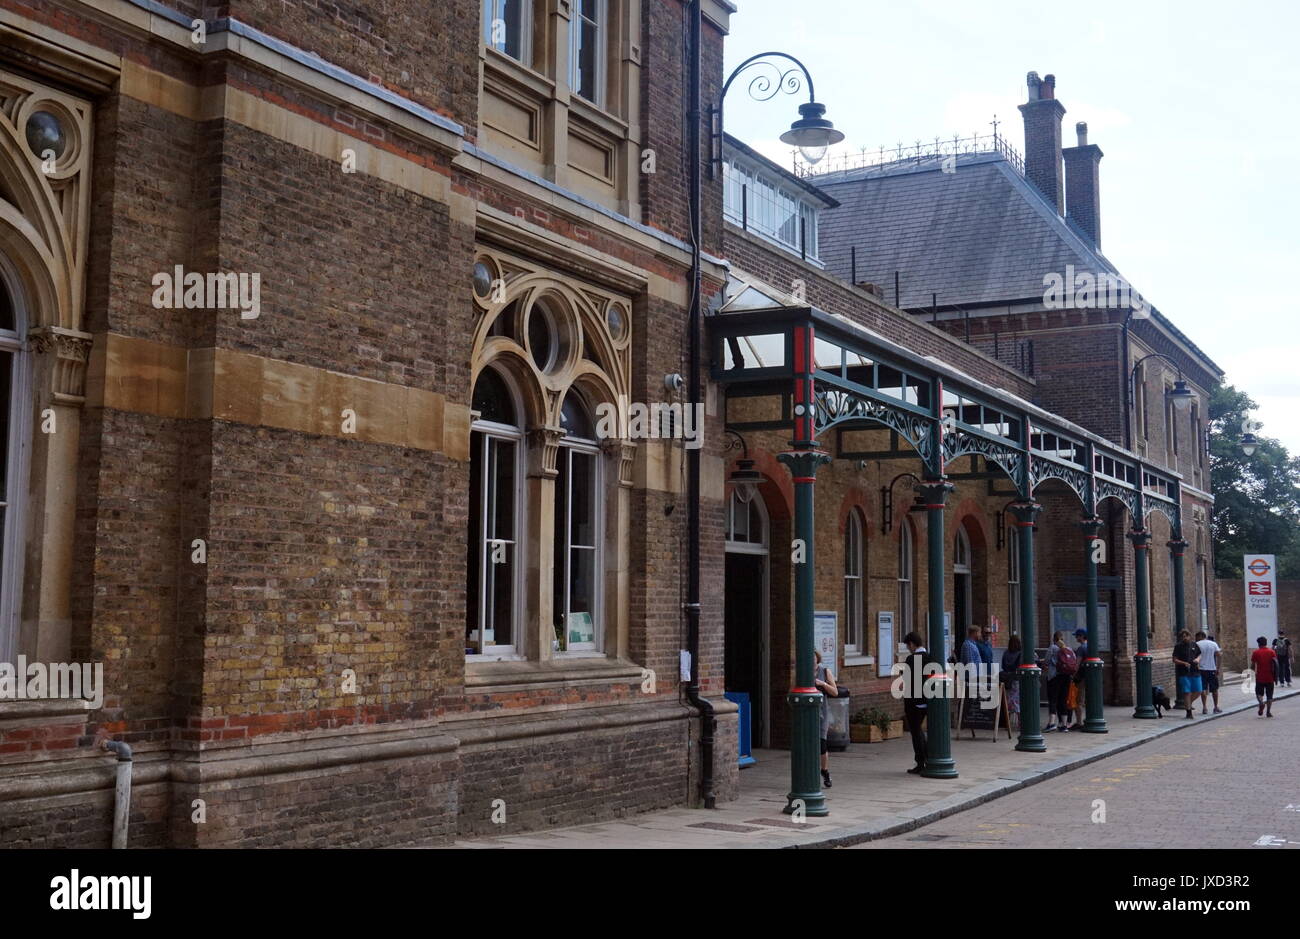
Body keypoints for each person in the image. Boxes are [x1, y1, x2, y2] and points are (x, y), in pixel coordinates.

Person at [901, 631, 928, 774]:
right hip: (927, 699)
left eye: (908, 646)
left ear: (912, 644)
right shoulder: (930, 657)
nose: (908, 649)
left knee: (916, 732)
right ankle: (927, 756)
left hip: (913, 701)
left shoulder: (912, 659)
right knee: (920, 731)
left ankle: (921, 761)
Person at [813, 649, 838, 788]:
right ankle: (810, 772)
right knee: (808, 744)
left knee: (822, 744)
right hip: (807, 714)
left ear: (818, 659)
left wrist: (823, 684)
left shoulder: (825, 671)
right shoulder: (802, 673)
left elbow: (835, 692)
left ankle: (825, 771)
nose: (811, 661)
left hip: (822, 713)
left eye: (813, 658)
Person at [1044, 631, 1073, 732]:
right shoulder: (1068, 649)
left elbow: (1046, 661)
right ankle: (1064, 725)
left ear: (1054, 639)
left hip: (1054, 677)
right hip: (1066, 677)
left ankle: (1052, 723)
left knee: (1053, 699)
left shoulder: (1053, 648)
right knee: (1063, 700)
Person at [1172, 629, 1202, 719]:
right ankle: (1188, 712)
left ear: (1190, 636)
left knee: (1198, 691)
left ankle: (1188, 703)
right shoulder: (1178, 646)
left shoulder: (1194, 645)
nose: (1185, 638)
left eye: (1186, 636)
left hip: (1195, 670)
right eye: (1183, 636)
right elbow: (1174, 659)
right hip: (1183, 672)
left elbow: (1200, 654)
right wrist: (1183, 663)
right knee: (1187, 692)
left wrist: (1198, 659)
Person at [1194, 630, 1222, 714]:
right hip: (1212, 669)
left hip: (1201, 669)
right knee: (1214, 689)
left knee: (1203, 689)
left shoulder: (1197, 644)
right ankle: (1216, 707)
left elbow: (1195, 657)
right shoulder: (1213, 644)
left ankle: (1204, 707)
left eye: (1196, 637)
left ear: (1199, 636)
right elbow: (1219, 656)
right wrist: (1218, 668)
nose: (1195, 639)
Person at [1251, 636, 1279, 717]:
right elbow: (1275, 664)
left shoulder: (1256, 652)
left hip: (1260, 676)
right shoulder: (1272, 652)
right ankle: (1268, 712)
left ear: (1259, 644)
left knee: (1258, 693)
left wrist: (1253, 672)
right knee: (1269, 695)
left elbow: (1253, 665)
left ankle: (1261, 703)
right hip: (1270, 677)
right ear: (1266, 643)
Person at [1000, 634, 1023, 723]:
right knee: (1017, 700)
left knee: (1008, 700)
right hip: (1016, 678)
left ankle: (1007, 721)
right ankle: (1020, 721)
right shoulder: (1020, 653)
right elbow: (1019, 666)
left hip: (1006, 679)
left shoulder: (1006, 652)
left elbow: (1003, 665)